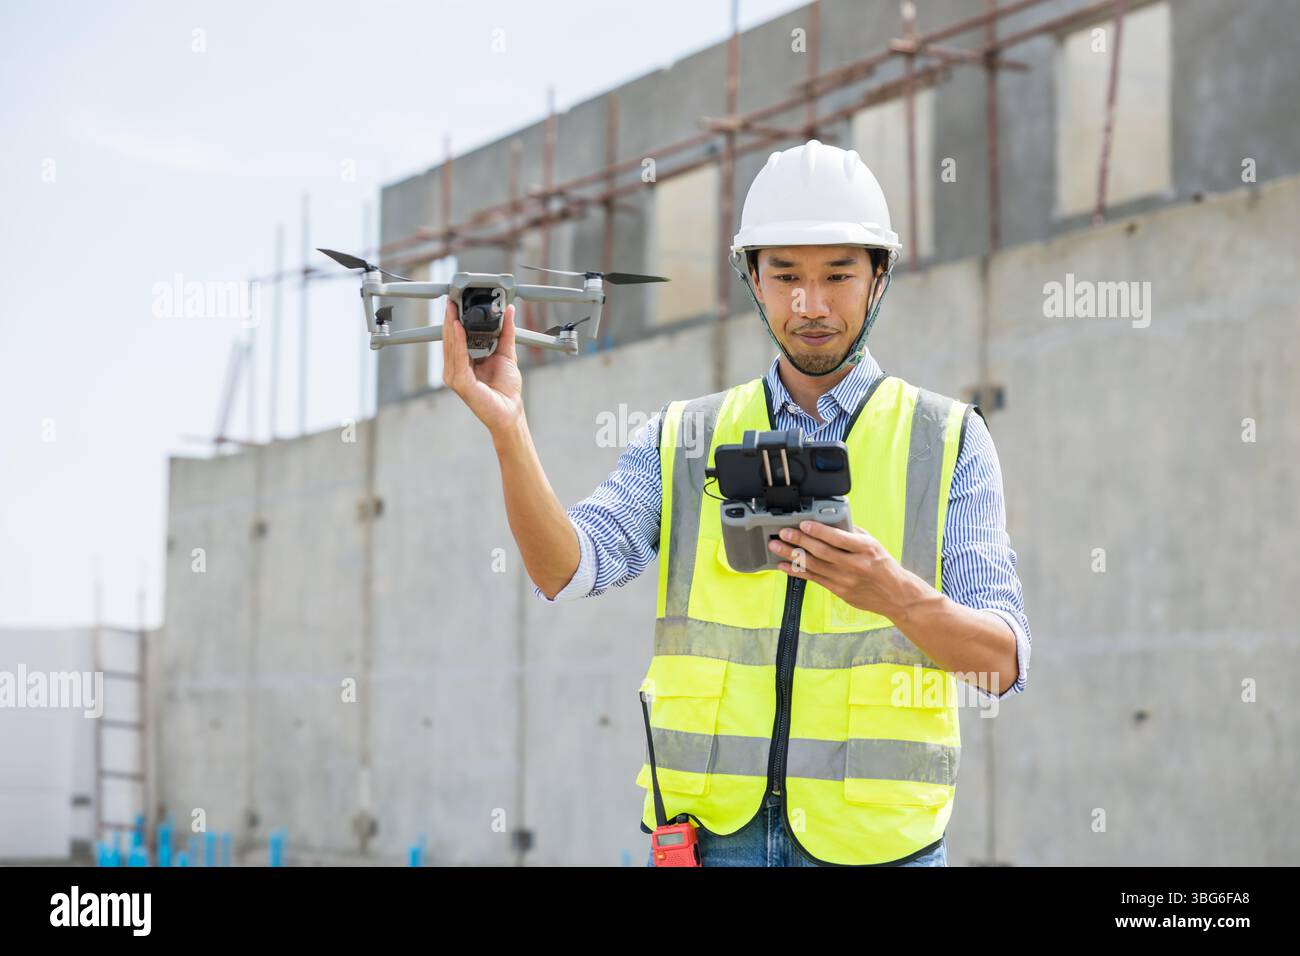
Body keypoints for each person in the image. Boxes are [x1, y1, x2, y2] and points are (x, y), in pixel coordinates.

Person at [442, 139, 1030, 867]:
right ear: (752, 276)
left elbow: (999, 665)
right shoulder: (686, 437)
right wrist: (509, 430)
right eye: (784, 275)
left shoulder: (948, 441)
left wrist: (894, 595)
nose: (809, 305)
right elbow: (565, 568)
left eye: (838, 275)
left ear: (880, 278)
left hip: (880, 852)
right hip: (708, 845)